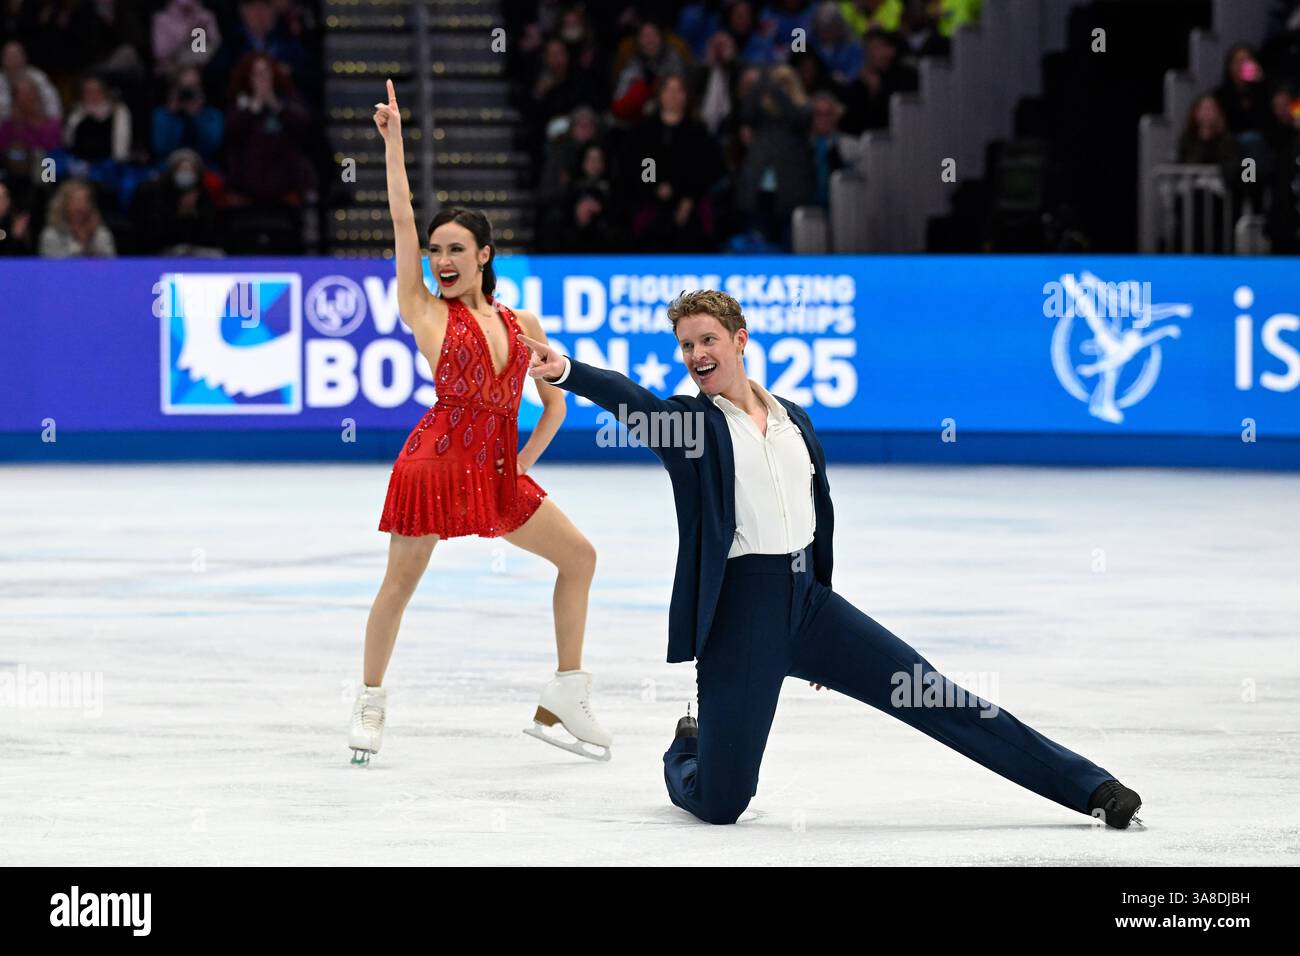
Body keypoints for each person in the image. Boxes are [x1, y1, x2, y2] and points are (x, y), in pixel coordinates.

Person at [519, 289, 1144, 829]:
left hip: (812, 607)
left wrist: (817, 609)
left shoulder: (795, 421)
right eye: (685, 346)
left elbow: (816, 515)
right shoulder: (692, 430)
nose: (696, 355)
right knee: (720, 803)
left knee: (940, 698)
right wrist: (568, 371)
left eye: (707, 340)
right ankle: (688, 747)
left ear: (740, 341)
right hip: (740, 620)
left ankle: (1091, 788)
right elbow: (636, 402)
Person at [350, 79, 609, 766]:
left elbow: (555, 404)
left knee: (579, 557)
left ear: (485, 255)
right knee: (399, 586)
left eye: (457, 249)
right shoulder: (426, 312)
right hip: (434, 462)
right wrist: (395, 141)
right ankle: (370, 703)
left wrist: (524, 465)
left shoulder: (522, 324)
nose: (443, 260)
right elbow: (401, 219)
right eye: (437, 250)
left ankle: (566, 696)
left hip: (496, 473)